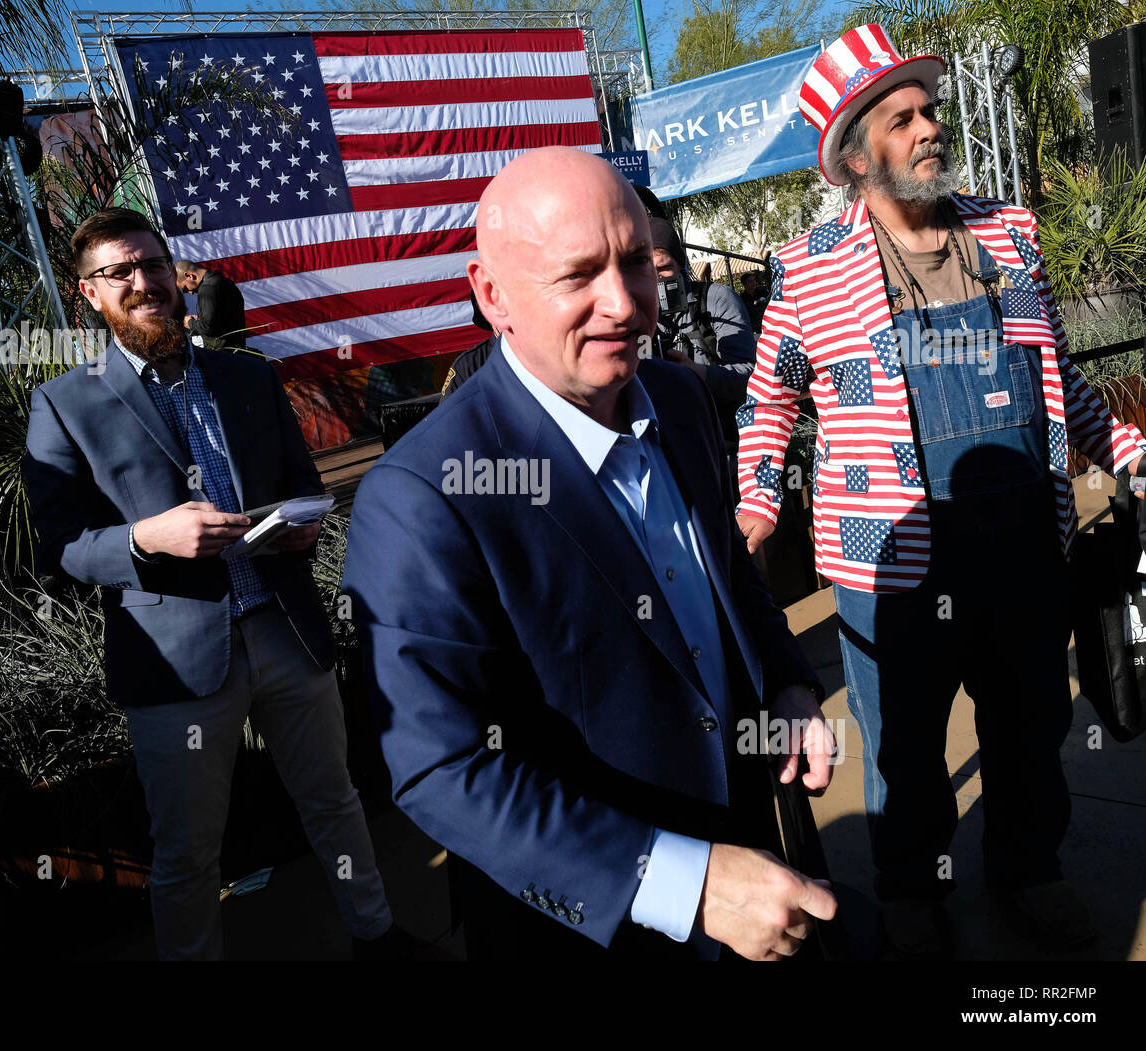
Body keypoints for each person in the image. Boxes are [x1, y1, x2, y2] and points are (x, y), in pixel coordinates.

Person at [342, 148, 838, 961]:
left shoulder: (681, 400)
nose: (625, 303)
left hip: (757, 863)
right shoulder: (424, 496)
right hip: (585, 927)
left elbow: (727, 570)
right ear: (491, 294)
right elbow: (440, 766)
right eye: (579, 275)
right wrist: (687, 882)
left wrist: (786, 681)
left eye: (636, 261)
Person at [734, 25, 1146, 957]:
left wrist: (1127, 453)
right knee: (906, 751)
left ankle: (1029, 872)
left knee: (1033, 728)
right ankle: (912, 892)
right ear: (853, 152)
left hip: (1025, 543)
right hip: (890, 561)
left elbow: (1062, 382)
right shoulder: (806, 269)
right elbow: (768, 403)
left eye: (931, 109)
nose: (929, 127)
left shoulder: (1007, 234)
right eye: (902, 116)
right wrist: (756, 503)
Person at [24, 208, 420, 961]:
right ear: (90, 294)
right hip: (176, 663)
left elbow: (305, 484)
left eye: (152, 264)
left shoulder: (247, 376)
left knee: (335, 803)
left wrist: (304, 524)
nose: (144, 283)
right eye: (120, 272)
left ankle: (376, 932)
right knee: (187, 851)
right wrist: (147, 537)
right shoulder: (64, 405)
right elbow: (62, 544)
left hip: (284, 628)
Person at [648, 217, 756, 450]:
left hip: (723, 440)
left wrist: (701, 374)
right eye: (646, 272)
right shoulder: (639, 314)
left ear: (681, 265)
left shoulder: (716, 299)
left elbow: (752, 377)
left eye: (663, 268)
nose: (655, 280)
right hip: (669, 444)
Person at [175, 259, 248, 348]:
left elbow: (207, 328)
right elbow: (220, 320)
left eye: (185, 288)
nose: (190, 292)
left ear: (189, 276)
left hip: (222, 353)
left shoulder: (207, 288)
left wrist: (190, 322)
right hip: (235, 348)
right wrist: (200, 320)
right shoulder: (224, 281)